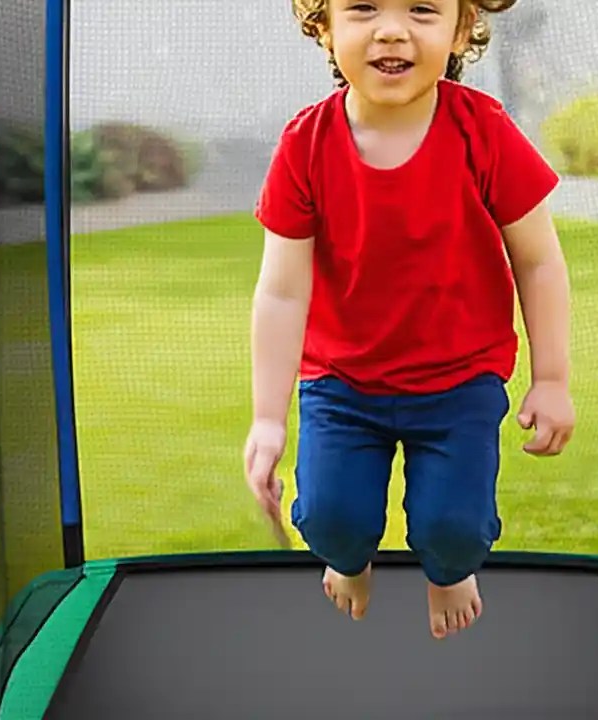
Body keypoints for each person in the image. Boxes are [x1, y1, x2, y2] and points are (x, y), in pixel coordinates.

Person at [243, 0, 575, 640]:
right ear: (326, 26)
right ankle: (347, 560)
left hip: (459, 382)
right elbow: (282, 293)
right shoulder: (304, 146)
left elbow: (537, 261)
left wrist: (552, 377)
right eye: (363, 8)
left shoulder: (484, 131)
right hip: (342, 384)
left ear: (459, 29)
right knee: (332, 520)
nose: (392, 28)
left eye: (422, 9)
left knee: (455, 529)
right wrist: (266, 417)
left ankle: (450, 571)